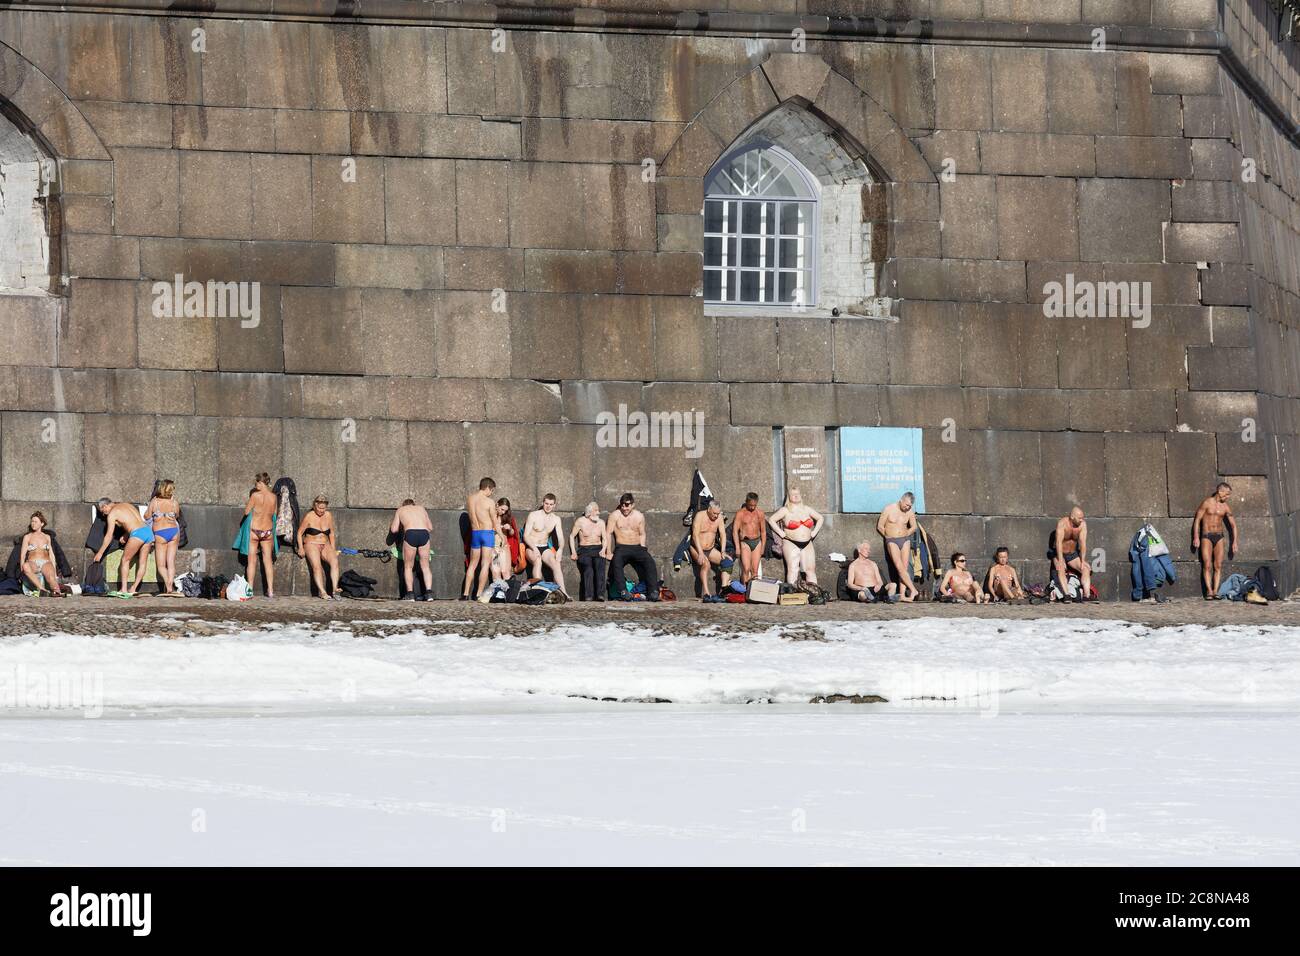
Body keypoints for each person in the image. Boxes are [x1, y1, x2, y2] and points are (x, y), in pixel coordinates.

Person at [602, 493, 660, 601]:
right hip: (621, 547)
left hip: (637, 547)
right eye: (622, 505)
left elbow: (642, 533)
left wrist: (643, 548)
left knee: (649, 562)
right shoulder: (615, 515)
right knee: (616, 562)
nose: (624, 508)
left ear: (632, 505)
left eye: (627, 505)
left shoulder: (639, 516)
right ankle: (623, 591)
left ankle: (653, 591)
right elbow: (608, 533)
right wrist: (608, 551)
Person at [92, 498, 154, 595]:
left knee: (125, 560)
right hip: (148, 531)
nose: (104, 514)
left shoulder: (112, 514)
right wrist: (126, 534)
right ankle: (133, 588)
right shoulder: (127, 504)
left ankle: (123, 589)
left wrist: (100, 553)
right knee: (142, 562)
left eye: (103, 511)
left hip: (137, 534)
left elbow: (109, 536)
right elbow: (134, 521)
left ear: (105, 506)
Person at [768, 488, 824, 587]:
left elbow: (820, 518)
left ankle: (814, 592)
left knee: (810, 570)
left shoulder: (807, 509)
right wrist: (780, 532)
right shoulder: (785, 510)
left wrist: (814, 532)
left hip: (807, 543)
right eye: (793, 494)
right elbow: (771, 520)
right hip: (791, 542)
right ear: (789, 497)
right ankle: (792, 594)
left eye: (798, 493)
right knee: (793, 569)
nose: (796, 495)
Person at [1193, 482, 1238, 600]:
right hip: (1206, 536)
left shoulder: (1225, 507)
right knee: (1207, 565)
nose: (1228, 497)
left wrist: (1234, 542)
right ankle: (1209, 591)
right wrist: (1196, 537)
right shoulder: (1207, 503)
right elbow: (1197, 520)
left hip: (1219, 536)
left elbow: (1233, 525)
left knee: (1218, 565)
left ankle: (1215, 591)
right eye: (1227, 494)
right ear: (1220, 491)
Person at [462, 477, 501, 600]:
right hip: (487, 533)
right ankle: (478, 594)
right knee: (485, 564)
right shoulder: (489, 502)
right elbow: (495, 522)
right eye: (492, 490)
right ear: (488, 488)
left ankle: (465, 594)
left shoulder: (470, 499)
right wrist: (501, 535)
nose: (491, 493)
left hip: (475, 533)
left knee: (472, 564)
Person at [876, 492, 919, 601]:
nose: (907, 507)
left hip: (905, 540)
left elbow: (914, 526)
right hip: (891, 540)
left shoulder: (909, 512)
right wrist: (888, 536)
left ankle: (902, 595)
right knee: (899, 567)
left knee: (904, 568)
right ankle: (913, 589)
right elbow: (880, 526)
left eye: (910, 506)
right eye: (906, 505)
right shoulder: (889, 509)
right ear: (902, 500)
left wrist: (906, 533)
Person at [523, 493, 569, 595]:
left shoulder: (556, 519)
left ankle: (563, 593)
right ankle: (538, 592)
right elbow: (526, 536)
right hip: (531, 546)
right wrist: (534, 548)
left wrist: (560, 550)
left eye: (551, 504)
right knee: (538, 561)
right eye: (546, 503)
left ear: (554, 505)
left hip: (544, 547)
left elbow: (561, 538)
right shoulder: (533, 515)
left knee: (556, 563)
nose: (548, 506)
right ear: (543, 503)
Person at [390, 497, 434, 601]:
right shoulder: (421, 508)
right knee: (426, 566)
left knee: (408, 567)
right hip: (424, 534)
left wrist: (403, 525)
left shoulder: (400, 510)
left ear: (404, 505)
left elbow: (394, 529)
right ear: (414, 504)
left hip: (410, 534)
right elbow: (430, 528)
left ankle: (410, 595)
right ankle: (429, 594)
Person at [297, 495, 341, 600]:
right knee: (317, 566)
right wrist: (300, 548)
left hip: (325, 543)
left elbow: (331, 533)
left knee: (334, 561)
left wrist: (333, 549)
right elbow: (299, 533)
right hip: (311, 543)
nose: (321, 510)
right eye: (319, 508)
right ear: (314, 506)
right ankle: (322, 592)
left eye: (323, 508)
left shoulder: (328, 515)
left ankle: (335, 589)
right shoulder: (309, 516)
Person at [243, 473, 278, 598]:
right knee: (267, 561)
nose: (255, 485)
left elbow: (246, 512)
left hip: (255, 530)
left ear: (260, 483)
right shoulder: (274, 497)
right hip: (267, 531)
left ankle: (250, 590)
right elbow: (274, 514)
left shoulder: (255, 496)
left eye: (256, 483)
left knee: (251, 561)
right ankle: (270, 590)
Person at [689, 498, 732, 601]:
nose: (716, 516)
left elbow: (722, 534)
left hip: (710, 549)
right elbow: (695, 536)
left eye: (718, 513)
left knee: (727, 562)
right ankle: (706, 593)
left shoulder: (719, 517)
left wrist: (722, 551)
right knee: (706, 564)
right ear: (709, 509)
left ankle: (723, 590)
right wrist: (700, 553)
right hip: (696, 547)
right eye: (714, 513)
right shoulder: (700, 516)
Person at [147, 479, 182, 595]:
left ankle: (168, 584)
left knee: (161, 565)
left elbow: (147, 515)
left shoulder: (155, 502)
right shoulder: (174, 503)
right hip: (173, 532)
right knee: (170, 562)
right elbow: (177, 515)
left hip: (160, 533)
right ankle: (170, 587)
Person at [1051, 506, 1091, 601]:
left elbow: (1083, 544)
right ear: (1072, 517)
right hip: (1059, 553)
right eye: (1079, 518)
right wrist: (1061, 560)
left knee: (1085, 568)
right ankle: (1067, 595)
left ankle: (1087, 596)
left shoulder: (1082, 525)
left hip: (1072, 554)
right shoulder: (1062, 523)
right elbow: (1058, 543)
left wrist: (1082, 561)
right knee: (1061, 568)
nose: (1082, 520)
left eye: (1082, 518)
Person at [569, 501, 608, 601]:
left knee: (600, 566)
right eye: (596, 510)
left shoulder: (601, 523)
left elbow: (605, 538)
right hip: (584, 549)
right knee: (588, 568)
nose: (598, 513)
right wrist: (573, 552)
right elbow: (572, 536)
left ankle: (600, 595)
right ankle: (589, 596)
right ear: (589, 512)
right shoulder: (580, 521)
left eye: (598, 510)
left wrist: (604, 549)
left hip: (598, 548)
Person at [19, 511, 64, 596]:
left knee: (51, 577)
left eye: (35, 522)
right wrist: (22, 571)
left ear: (42, 523)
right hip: (33, 563)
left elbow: (51, 554)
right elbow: (22, 555)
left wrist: (54, 571)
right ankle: (41, 589)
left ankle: (57, 591)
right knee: (25, 566)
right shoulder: (27, 537)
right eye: (32, 521)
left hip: (45, 562)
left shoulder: (47, 537)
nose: (33, 523)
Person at [731, 492, 767, 585]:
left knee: (755, 570)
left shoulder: (760, 513)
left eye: (754, 505)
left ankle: (752, 593)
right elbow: (735, 531)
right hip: (745, 542)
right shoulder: (740, 513)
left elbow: (763, 531)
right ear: (746, 502)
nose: (752, 507)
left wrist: (763, 547)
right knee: (746, 569)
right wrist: (737, 548)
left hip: (757, 542)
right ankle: (744, 590)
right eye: (750, 505)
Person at [494, 497, 524, 581]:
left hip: (504, 546)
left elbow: (513, 534)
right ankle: (498, 592)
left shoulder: (506, 517)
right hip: (493, 546)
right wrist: (499, 527)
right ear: (497, 505)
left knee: (506, 571)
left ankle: (508, 593)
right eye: (502, 509)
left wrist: (509, 528)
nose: (503, 512)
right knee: (496, 572)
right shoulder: (491, 515)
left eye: (505, 511)